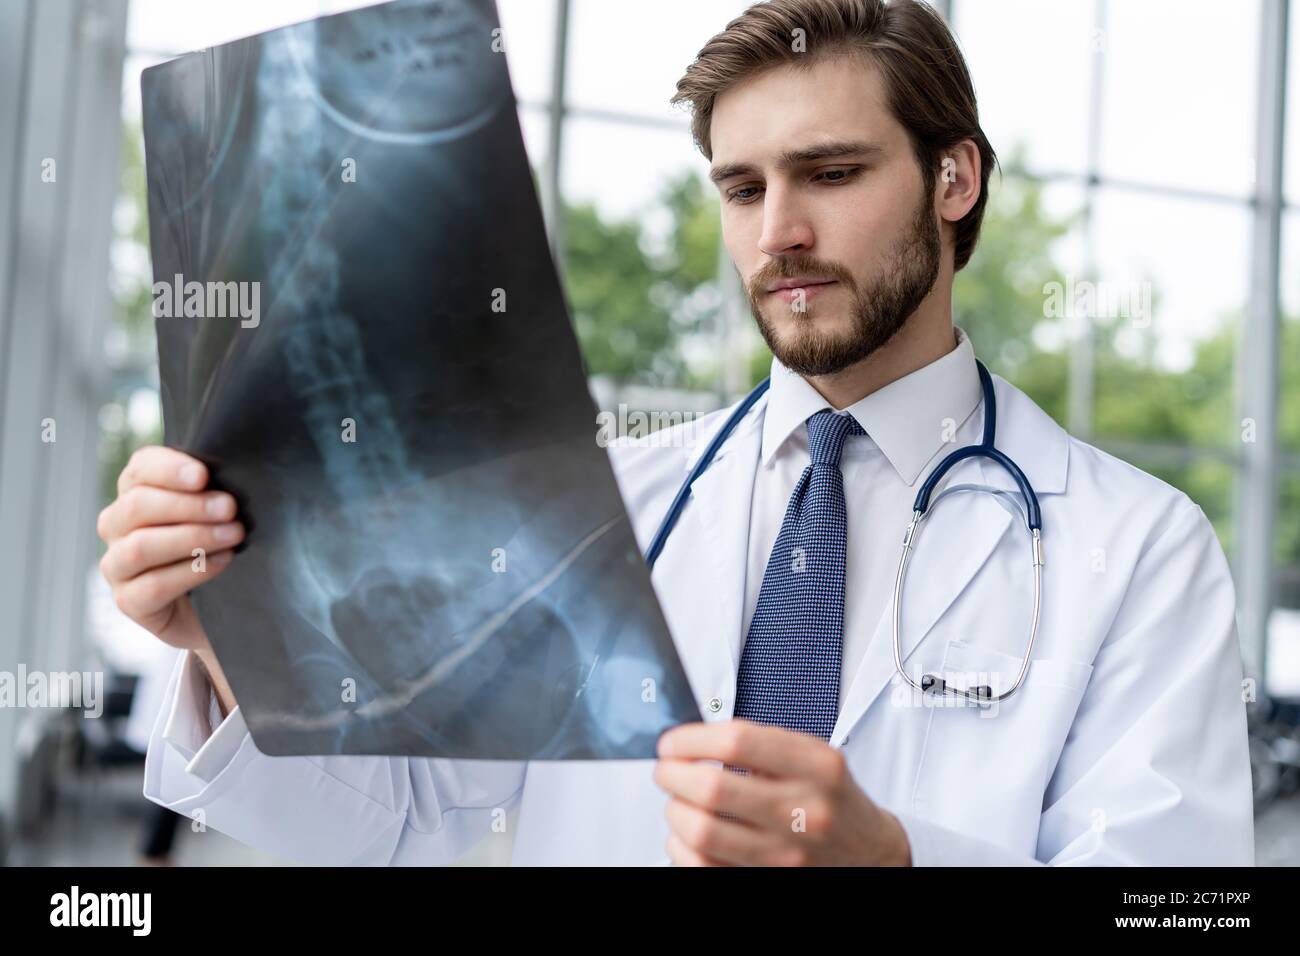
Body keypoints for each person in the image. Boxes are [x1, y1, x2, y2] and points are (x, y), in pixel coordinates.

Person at [97, 0, 1253, 865]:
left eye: (831, 172)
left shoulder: (1136, 545)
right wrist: (230, 641)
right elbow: (395, 820)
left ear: (955, 178)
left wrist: (897, 861)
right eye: (742, 189)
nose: (779, 234)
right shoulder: (605, 501)